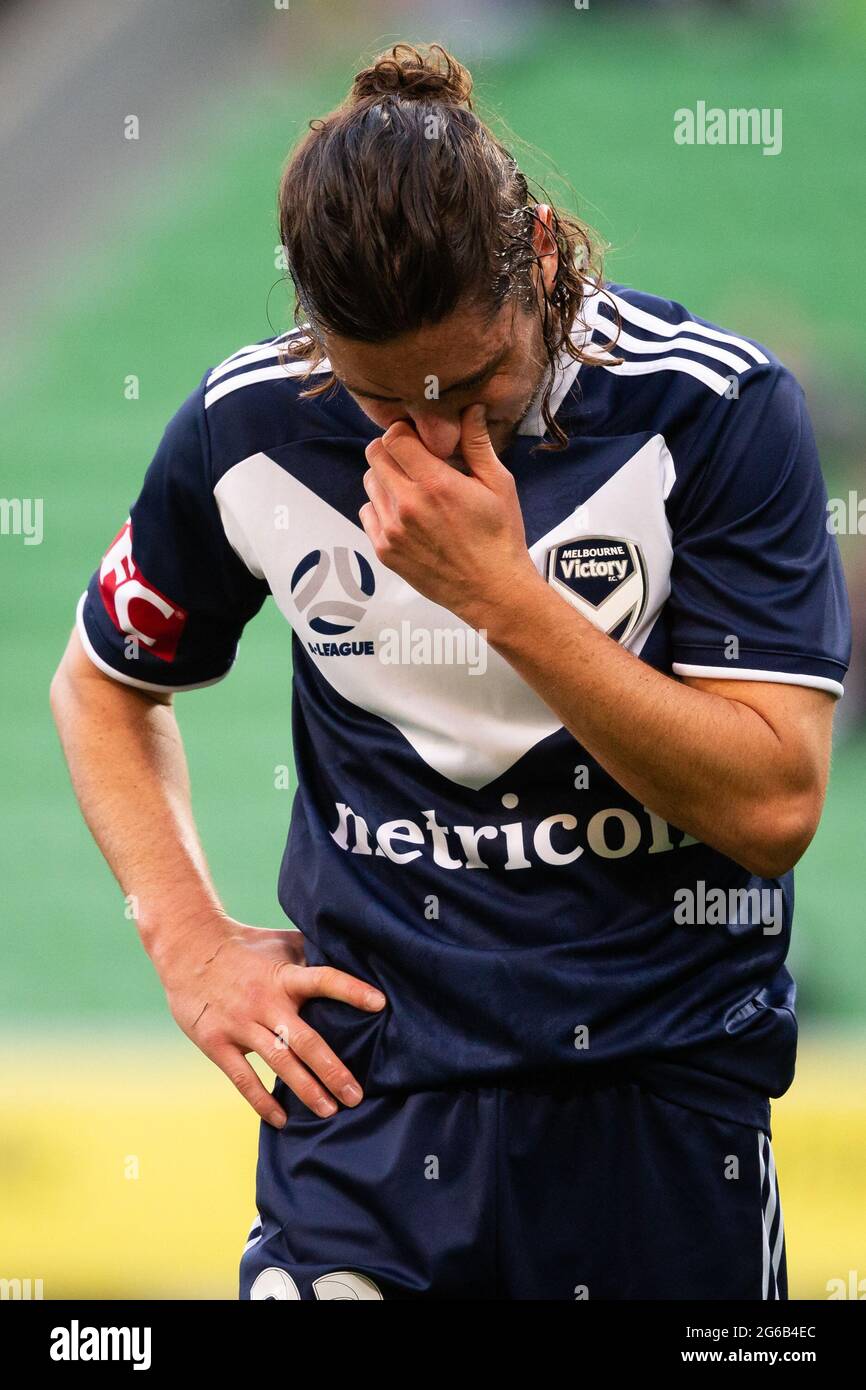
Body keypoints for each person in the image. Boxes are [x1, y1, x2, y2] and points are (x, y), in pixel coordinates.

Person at [51, 43, 850, 1300]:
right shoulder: (244, 430)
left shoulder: (715, 411)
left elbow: (771, 807)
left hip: (660, 1102)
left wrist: (502, 599)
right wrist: (190, 942)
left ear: (537, 257)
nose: (430, 440)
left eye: (473, 385)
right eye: (384, 405)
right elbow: (100, 685)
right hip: (369, 1106)